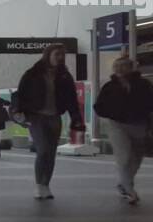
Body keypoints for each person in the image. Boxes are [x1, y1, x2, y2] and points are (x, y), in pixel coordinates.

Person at [13, 43, 85, 199]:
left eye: (62, 55)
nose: (60, 58)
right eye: (57, 54)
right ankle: (39, 185)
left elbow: (72, 99)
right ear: (48, 55)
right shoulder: (33, 74)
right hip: (36, 116)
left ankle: (46, 184)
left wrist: (76, 118)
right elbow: (20, 94)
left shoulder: (65, 76)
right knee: (43, 149)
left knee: (51, 153)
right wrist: (18, 112)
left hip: (54, 117)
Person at [94, 56, 153, 205]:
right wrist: (112, 113)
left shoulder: (144, 84)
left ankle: (123, 182)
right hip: (117, 124)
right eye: (117, 66)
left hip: (139, 124)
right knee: (124, 156)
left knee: (136, 158)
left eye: (123, 66)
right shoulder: (109, 86)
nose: (119, 69)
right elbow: (99, 106)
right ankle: (129, 189)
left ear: (131, 67)